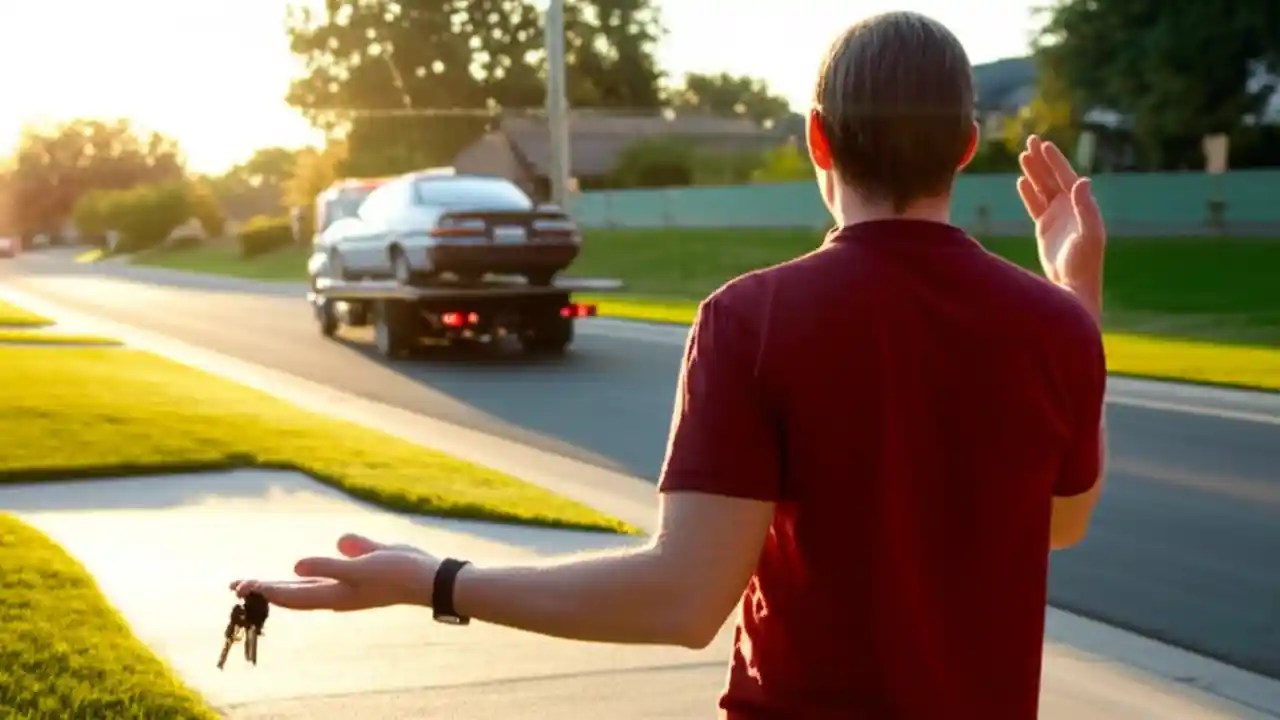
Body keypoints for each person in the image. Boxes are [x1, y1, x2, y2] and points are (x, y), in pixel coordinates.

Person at [231, 11, 1107, 719]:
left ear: (817, 139)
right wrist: (1077, 293)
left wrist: (435, 581)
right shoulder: (1056, 325)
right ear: (966, 145)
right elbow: (1060, 522)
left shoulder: (752, 320)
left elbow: (682, 600)